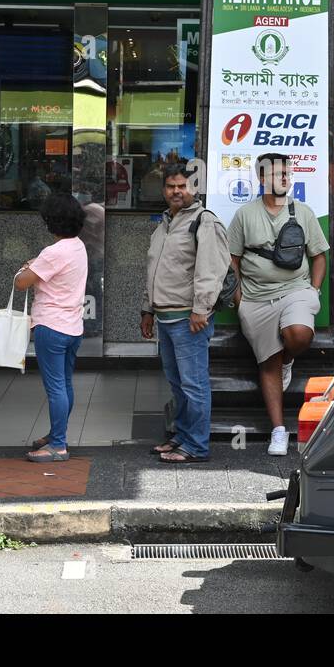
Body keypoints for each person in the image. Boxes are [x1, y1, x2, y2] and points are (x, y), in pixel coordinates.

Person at [228, 153, 330, 456]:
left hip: (296, 290)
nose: (284, 178)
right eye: (277, 173)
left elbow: (319, 256)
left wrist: (314, 289)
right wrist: (238, 298)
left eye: (287, 172)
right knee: (267, 364)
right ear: (262, 179)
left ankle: (288, 359)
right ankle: (278, 431)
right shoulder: (245, 214)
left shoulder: (304, 212)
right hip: (255, 298)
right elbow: (232, 259)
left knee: (299, 333)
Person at [140, 164, 230, 464]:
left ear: (194, 188)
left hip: (189, 319)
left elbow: (211, 271)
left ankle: (196, 445)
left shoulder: (204, 222)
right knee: (177, 383)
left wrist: (201, 310)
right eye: (170, 186)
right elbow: (154, 269)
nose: (176, 191)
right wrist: (147, 309)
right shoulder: (165, 222)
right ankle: (181, 435)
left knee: (194, 383)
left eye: (183, 186)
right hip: (165, 317)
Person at [14, 194, 89, 463]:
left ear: (51, 222)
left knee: (55, 387)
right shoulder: (78, 246)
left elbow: (22, 282)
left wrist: (26, 269)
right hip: (73, 328)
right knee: (65, 384)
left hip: (51, 327)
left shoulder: (54, 252)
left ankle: (58, 444)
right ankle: (57, 434)